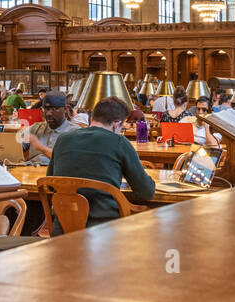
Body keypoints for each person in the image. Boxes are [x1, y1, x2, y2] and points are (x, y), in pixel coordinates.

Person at [47, 97, 155, 231]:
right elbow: (147, 192)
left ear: (93, 117)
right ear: (116, 123)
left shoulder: (63, 139)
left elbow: (50, 185)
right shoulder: (119, 142)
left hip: (63, 230)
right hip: (106, 232)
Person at [24, 91, 76, 166]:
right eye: (46, 109)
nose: (48, 113)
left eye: (54, 109)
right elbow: (16, 144)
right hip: (28, 172)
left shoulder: (74, 132)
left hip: (55, 175)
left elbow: (67, 160)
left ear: (65, 109)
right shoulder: (35, 128)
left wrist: (41, 147)